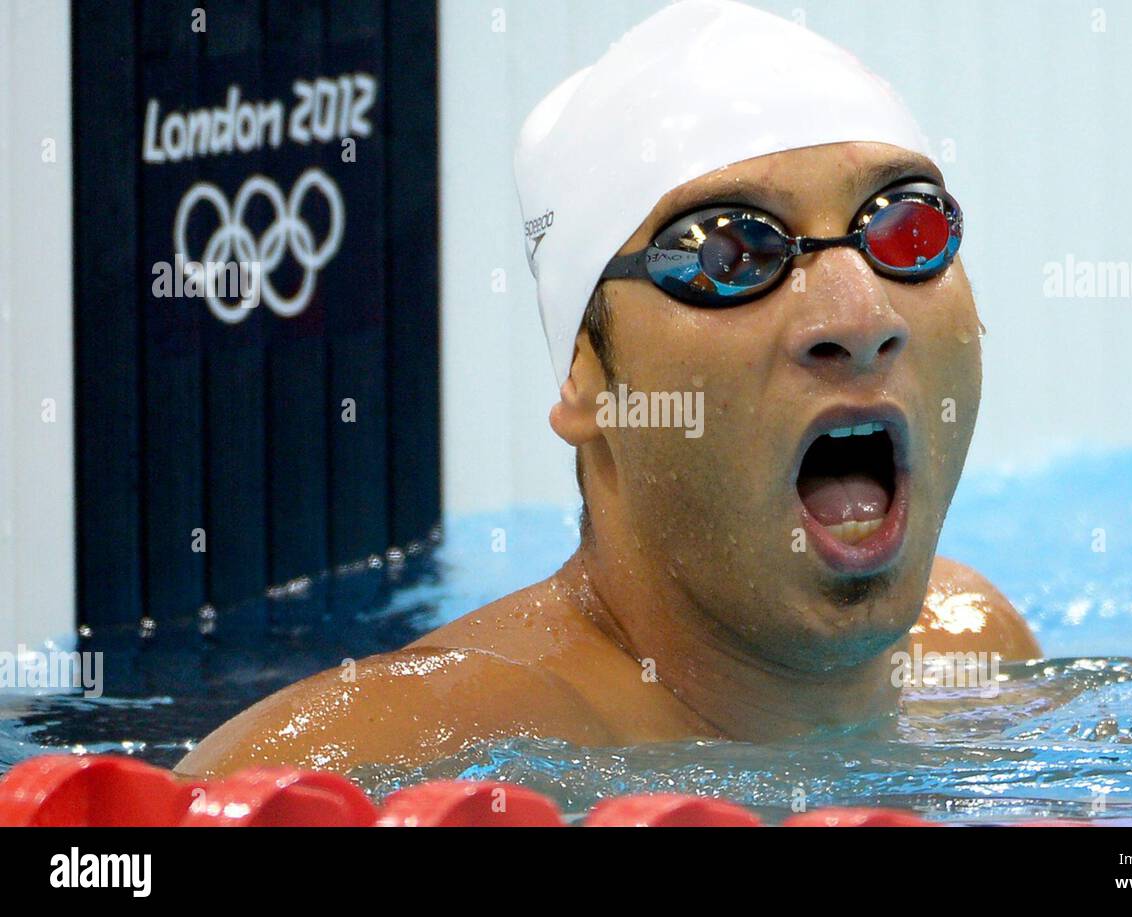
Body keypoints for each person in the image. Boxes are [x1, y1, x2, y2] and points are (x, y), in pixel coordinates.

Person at [177, 0, 1040, 778]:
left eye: (903, 224)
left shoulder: (973, 650)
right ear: (586, 372)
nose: (859, 315)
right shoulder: (378, 758)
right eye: (730, 254)